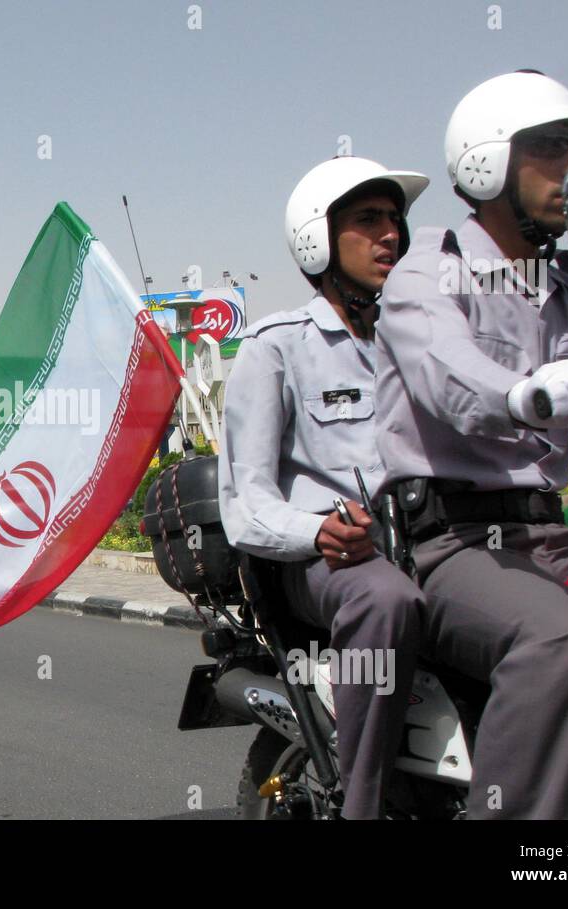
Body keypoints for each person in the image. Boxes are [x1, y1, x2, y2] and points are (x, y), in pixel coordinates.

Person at [374, 70, 568, 818]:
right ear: (489, 161)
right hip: (451, 541)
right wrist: (527, 392)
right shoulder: (431, 268)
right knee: (565, 640)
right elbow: (450, 374)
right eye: (551, 148)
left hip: (548, 531)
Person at [219, 156, 430, 819]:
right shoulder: (277, 347)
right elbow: (244, 505)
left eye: (395, 219)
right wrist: (318, 530)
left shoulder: (419, 341)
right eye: (368, 220)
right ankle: (361, 805)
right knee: (384, 598)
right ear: (319, 239)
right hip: (323, 564)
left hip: (420, 543)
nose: (390, 233)